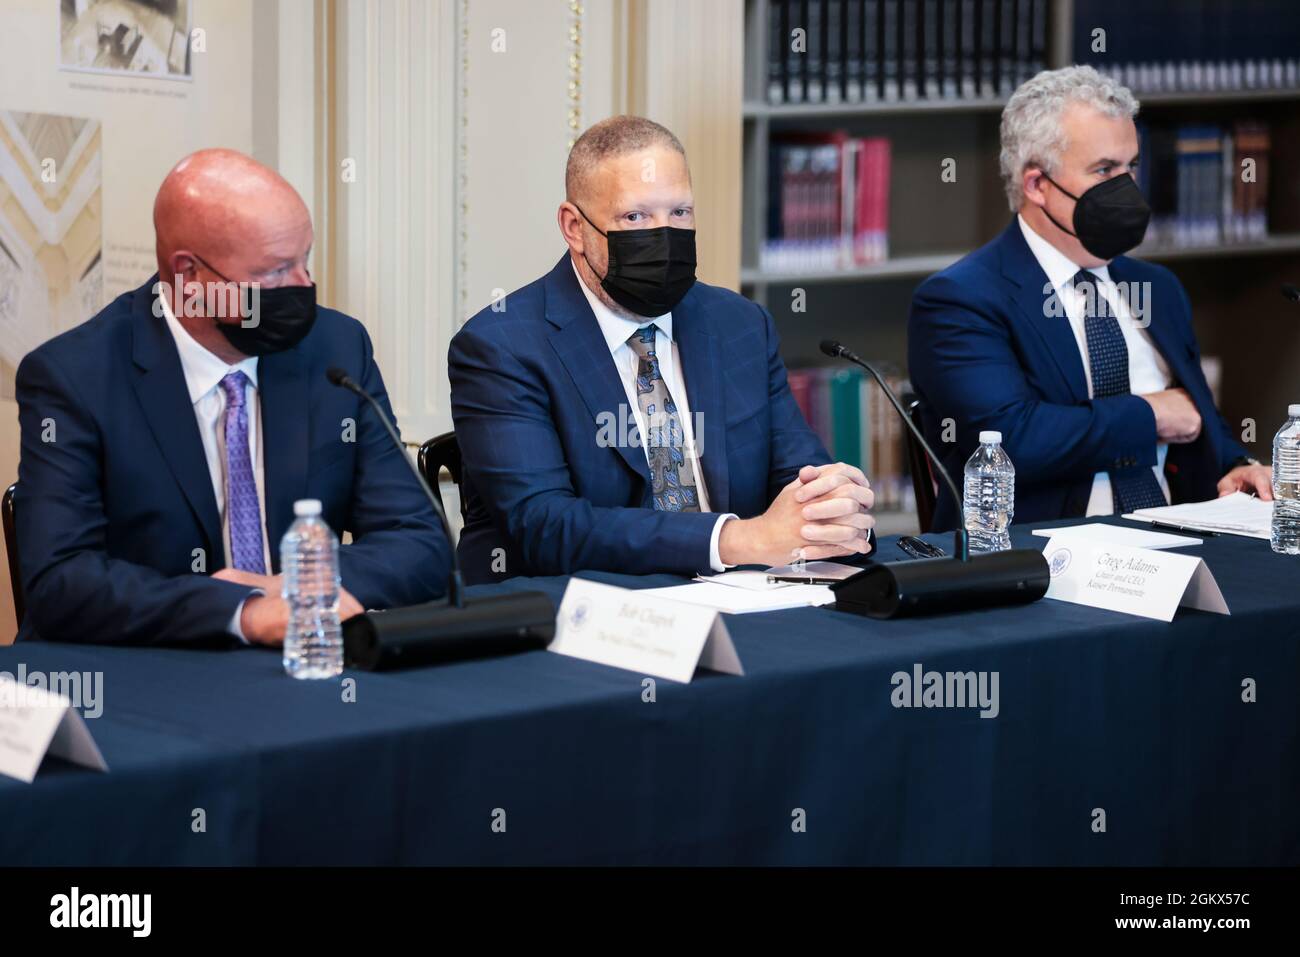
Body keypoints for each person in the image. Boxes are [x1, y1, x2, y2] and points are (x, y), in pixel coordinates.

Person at [15, 149, 450, 645]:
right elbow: (60, 583)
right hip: (143, 678)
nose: (303, 286)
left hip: (305, 663)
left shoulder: (336, 350)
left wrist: (295, 590)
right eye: (275, 272)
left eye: (304, 260)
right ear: (189, 275)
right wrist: (241, 613)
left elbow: (419, 542)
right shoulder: (74, 377)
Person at [449, 116, 875, 583]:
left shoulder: (739, 324)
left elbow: (800, 477)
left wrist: (833, 507)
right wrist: (736, 540)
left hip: (744, 601)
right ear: (574, 227)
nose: (664, 236)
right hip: (581, 615)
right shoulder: (501, 346)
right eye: (635, 217)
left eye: (680, 213)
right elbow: (545, 526)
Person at [907, 66, 1270, 531]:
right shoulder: (960, 299)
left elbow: (1197, 418)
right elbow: (1012, 440)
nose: (1128, 189)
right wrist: (1150, 414)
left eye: (1131, 167)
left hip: (1178, 540)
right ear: (1037, 185)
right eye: (1104, 171)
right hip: (1040, 558)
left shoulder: (1157, 286)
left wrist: (1235, 463)